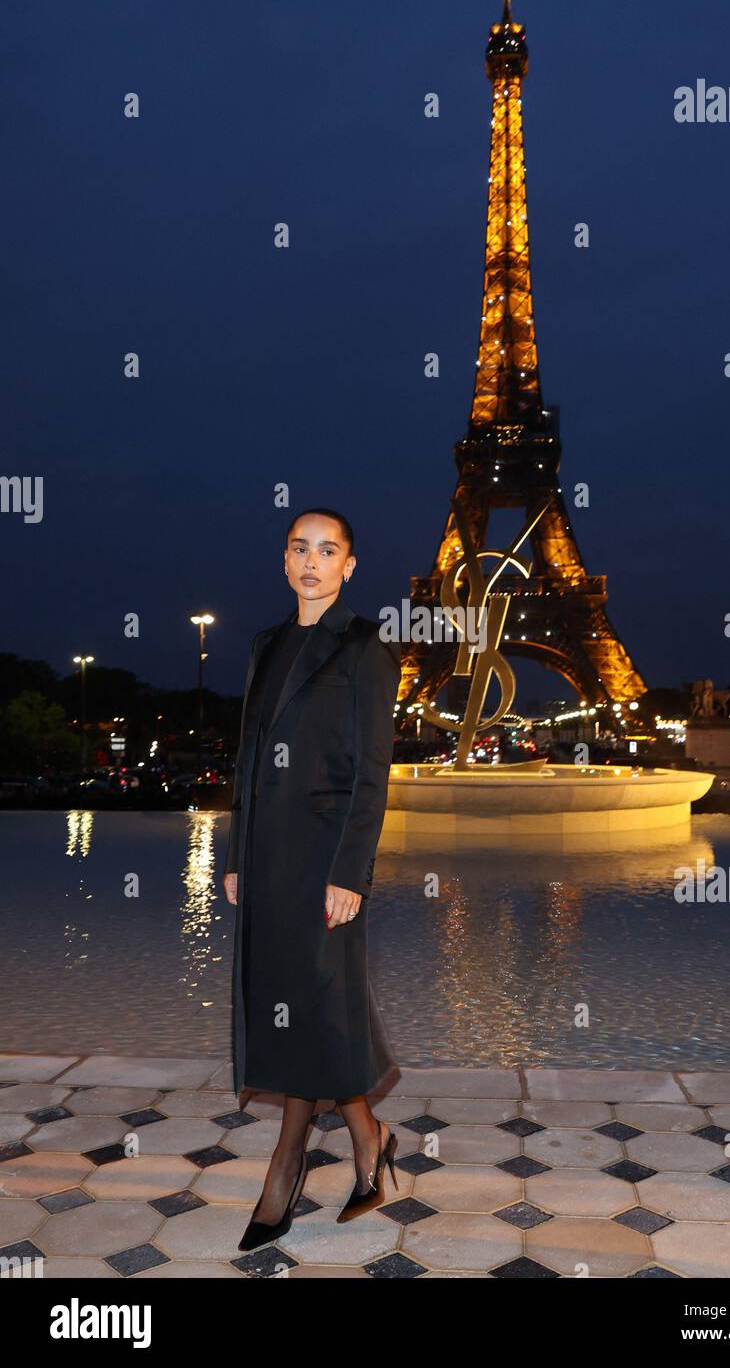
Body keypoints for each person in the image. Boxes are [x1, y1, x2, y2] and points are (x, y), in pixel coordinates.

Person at [223, 508, 402, 1250]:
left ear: (350, 566)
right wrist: (237, 852)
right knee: (295, 1003)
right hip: (268, 858)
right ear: (283, 557)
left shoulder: (365, 648)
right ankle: (366, 1134)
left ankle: (287, 1164)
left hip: (327, 860)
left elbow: (372, 773)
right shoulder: (266, 645)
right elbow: (247, 758)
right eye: (300, 548)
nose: (311, 561)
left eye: (328, 551)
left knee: (320, 1001)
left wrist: (351, 871)